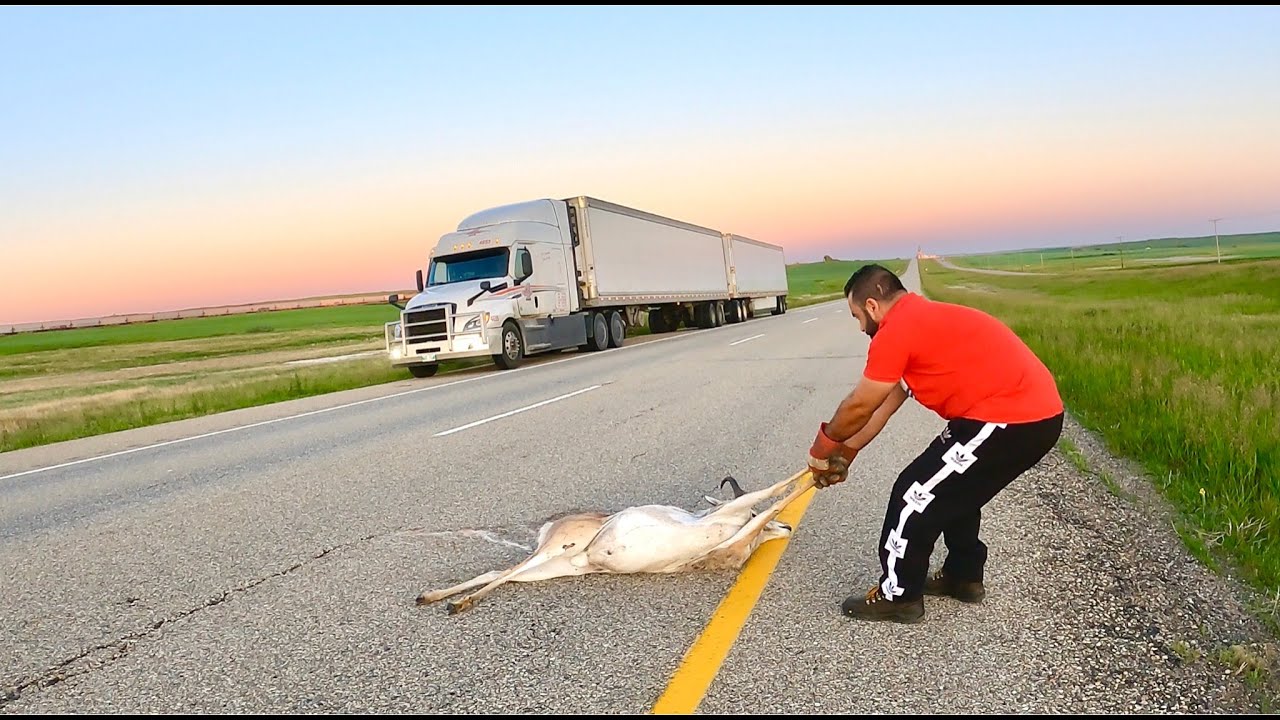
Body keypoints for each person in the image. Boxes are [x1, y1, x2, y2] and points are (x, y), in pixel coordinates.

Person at [806, 263, 1064, 623]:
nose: (860, 327)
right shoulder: (921, 320)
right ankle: (963, 576)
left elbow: (861, 404)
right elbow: (883, 407)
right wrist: (846, 453)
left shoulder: (897, 330)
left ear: (872, 305)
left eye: (856, 316)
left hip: (1010, 417)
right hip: (1021, 416)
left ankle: (899, 596)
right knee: (955, 488)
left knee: (914, 492)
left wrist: (823, 445)